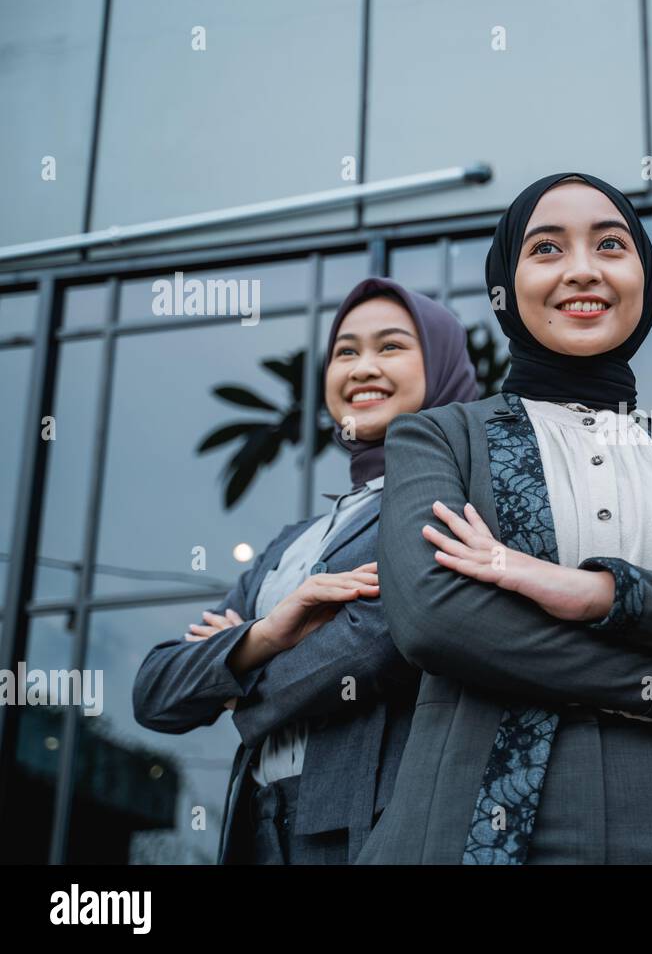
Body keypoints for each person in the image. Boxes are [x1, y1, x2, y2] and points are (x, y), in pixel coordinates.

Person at [356, 172, 652, 865]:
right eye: (546, 249)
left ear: (643, 276)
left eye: (611, 245)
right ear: (506, 282)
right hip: (480, 834)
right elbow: (437, 619)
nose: (582, 270)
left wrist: (603, 593)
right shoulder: (439, 439)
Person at [132, 277, 479, 863]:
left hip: (371, 828)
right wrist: (267, 634)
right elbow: (155, 693)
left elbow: (379, 643)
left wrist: (237, 681)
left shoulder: (455, 497)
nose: (362, 368)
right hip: (256, 829)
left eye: (391, 347)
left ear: (443, 366)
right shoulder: (291, 544)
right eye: (345, 352)